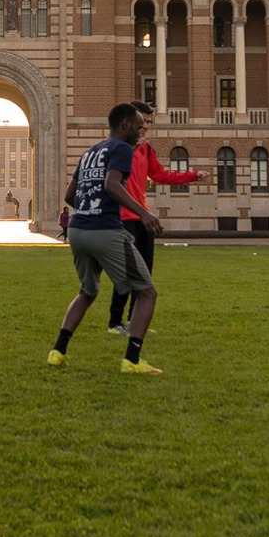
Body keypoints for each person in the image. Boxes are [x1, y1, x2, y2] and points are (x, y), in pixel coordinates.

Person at [48, 103, 166, 375]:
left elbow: (69, 196)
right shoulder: (122, 149)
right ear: (125, 125)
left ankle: (58, 351)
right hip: (105, 230)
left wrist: (88, 209)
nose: (141, 133)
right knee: (147, 293)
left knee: (87, 292)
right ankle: (132, 360)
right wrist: (143, 213)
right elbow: (112, 185)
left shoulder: (90, 152)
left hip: (78, 230)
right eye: (138, 127)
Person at [106, 101, 200, 333]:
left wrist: (193, 176)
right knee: (126, 272)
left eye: (149, 122)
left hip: (143, 218)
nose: (146, 126)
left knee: (144, 273)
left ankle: (134, 321)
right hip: (123, 218)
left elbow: (160, 175)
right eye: (143, 122)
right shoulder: (117, 147)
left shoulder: (146, 149)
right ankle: (115, 323)